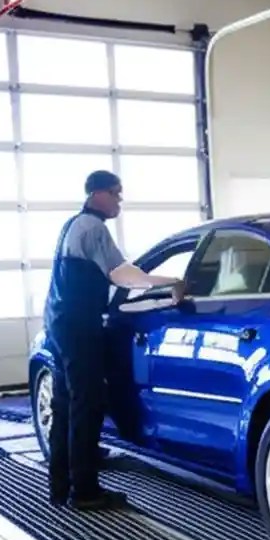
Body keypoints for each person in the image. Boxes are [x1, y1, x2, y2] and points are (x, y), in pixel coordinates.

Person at [44, 170, 183, 510]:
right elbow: (121, 274)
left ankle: (61, 486)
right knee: (86, 407)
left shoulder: (72, 225)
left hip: (60, 325)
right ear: (96, 194)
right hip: (79, 328)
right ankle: (86, 492)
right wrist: (171, 281)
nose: (119, 201)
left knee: (66, 407)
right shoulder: (93, 227)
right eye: (115, 194)